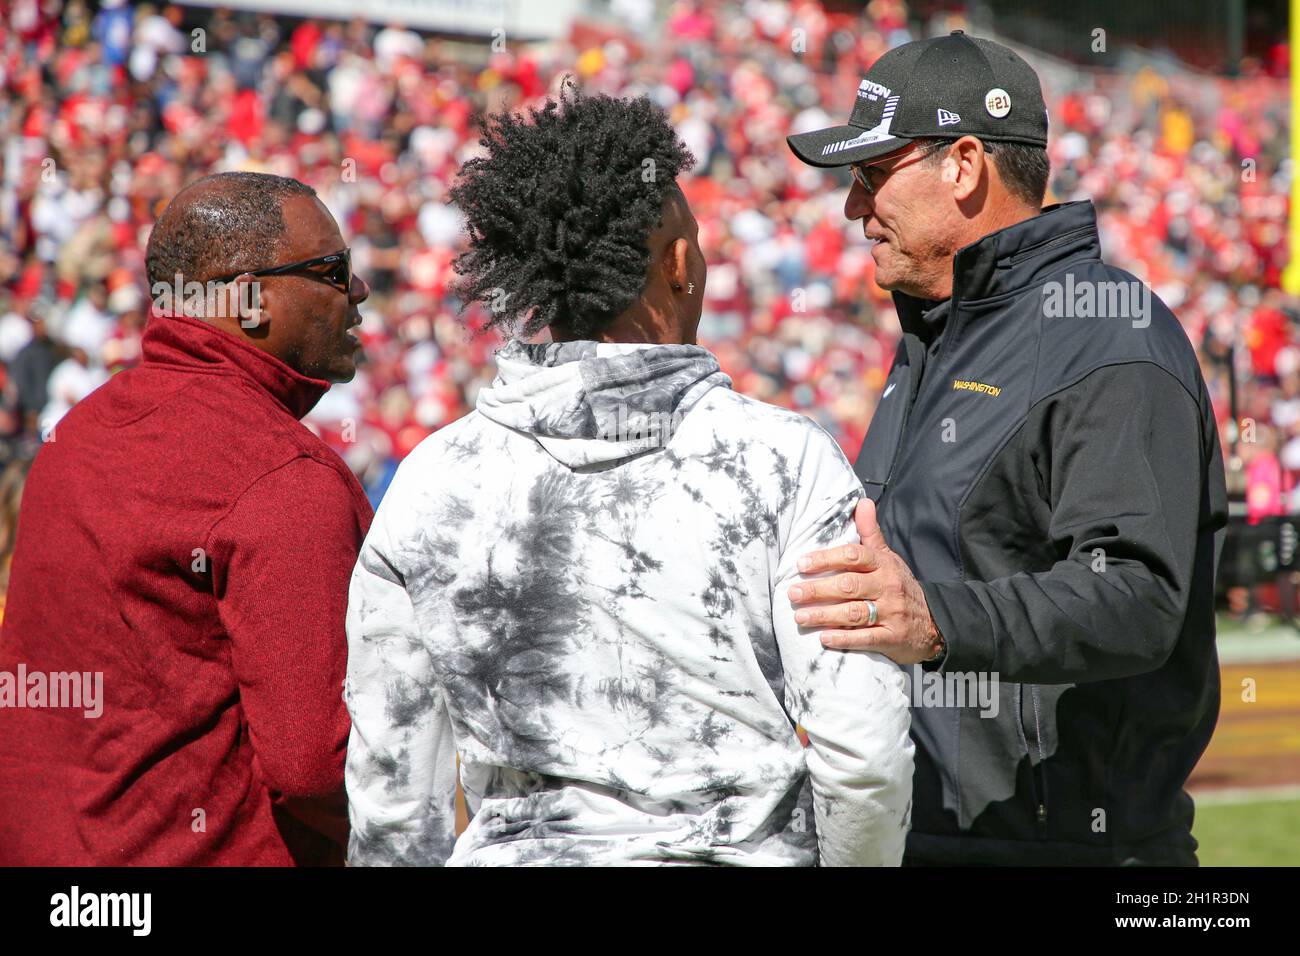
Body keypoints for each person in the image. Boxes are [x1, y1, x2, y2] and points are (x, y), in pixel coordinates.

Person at [344, 85, 913, 867]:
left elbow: (392, 788)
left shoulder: (432, 479)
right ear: (680, 266)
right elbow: (863, 753)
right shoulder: (784, 461)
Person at [785, 31, 1228, 865]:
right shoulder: (936, 335)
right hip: (930, 838)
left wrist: (935, 618)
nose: (852, 207)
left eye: (872, 174)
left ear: (962, 165)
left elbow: (1138, 596)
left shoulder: (1106, 335)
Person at [0, 172, 373, 865]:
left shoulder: (75, 437)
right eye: (334, 271)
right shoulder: (282, 477)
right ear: (250, 300)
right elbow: (319, 767)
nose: (358, 292)